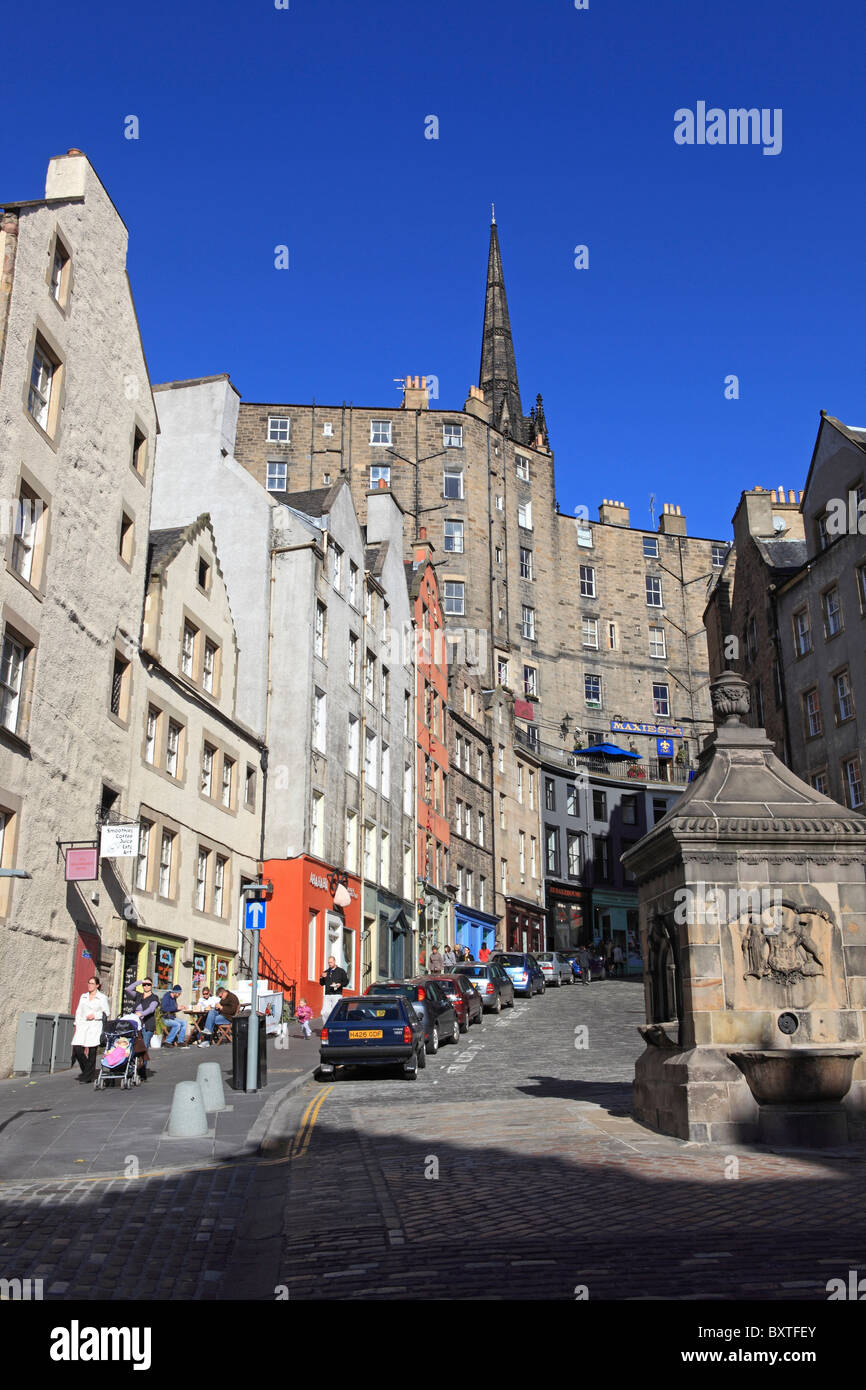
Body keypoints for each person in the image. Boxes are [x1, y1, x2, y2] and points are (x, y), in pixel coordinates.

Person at [71, 975, 110, 1083]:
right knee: (77, 1048)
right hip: (83, 1025)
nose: (90, 985)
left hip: (95, 1025)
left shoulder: (102, 997)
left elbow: (106, 1012)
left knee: (92, 1051)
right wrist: (76, 1023)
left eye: (92, 983)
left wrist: (95, 1015)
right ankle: (88, 1070)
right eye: (89, 983)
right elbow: (79, 1011)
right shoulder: (83, 996)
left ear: (97, 985)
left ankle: (87, 1076)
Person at [124, 977, 159, 1046]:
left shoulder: (154, 997)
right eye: (144, 984)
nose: (146, 986)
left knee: (144, 1046)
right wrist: (140, 981)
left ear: (152, 985)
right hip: (136, 1023)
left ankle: (143, 1057)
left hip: (147, 1025)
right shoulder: (138, 995)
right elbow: (128, 989)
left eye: (148, 984)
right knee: (132, 1045)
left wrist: (141, 1014)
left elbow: (151, 1009)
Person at [319, 956, 349, 1025]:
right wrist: (321, 977)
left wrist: (340, 984)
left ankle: (336, 1026)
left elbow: (346, 982)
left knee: (336, 1012)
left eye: (331, 962)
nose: (329, 964)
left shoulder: (341, 971)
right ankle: (326, 1027)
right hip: (327, 995)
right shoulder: (326, 972)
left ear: (335, 961)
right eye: (328, 962)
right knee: (324, 1012)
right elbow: (321, 983)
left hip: (337, 994)